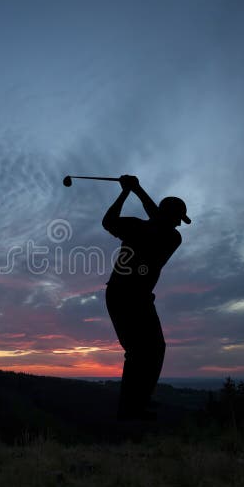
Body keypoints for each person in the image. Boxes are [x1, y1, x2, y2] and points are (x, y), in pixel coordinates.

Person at [102, 175, 190, 420]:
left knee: (147, 350)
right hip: (125, 296)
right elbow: (109, 221)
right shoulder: (149, 228)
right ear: (170, 215)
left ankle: (134, 407)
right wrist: (129, 191)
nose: (179, 225)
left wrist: (132, 190)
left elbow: (152, 220)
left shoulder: (167, 235)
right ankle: (132, 410)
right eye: (177, 218)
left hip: (131, 296)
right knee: (141, 351)